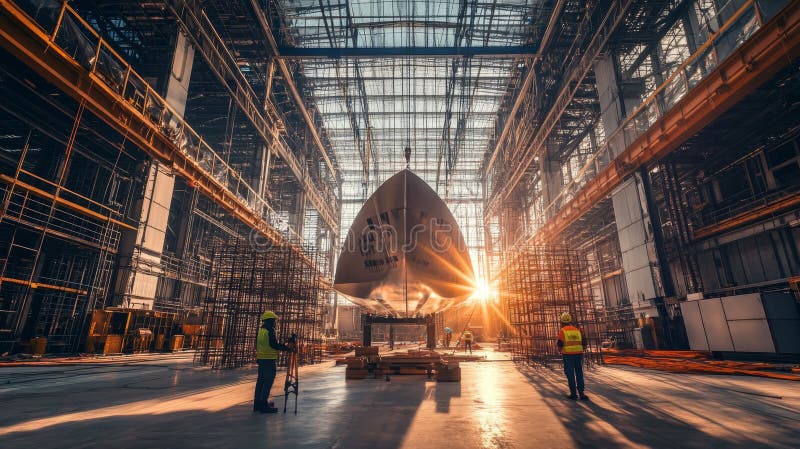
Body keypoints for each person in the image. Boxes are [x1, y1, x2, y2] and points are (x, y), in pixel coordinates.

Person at [254, 311, 293, 413]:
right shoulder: (269, 330)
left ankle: (257, 404)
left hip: (262, 359)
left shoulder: (261, 330)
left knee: (261, 382)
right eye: (274, 320)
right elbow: (274, 345)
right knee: (268, 381)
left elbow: (266, 344)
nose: (275, 322)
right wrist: (287, 348)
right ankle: (263, 405)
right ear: (270, 321)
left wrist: (283, 345)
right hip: (268, 360)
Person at [557, 312, 588, 401]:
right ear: (570, 321)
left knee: (570, 373)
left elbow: (560, 344)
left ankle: (573, 394)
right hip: (578, 354)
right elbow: (584, 342)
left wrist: (560, 351)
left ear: (562, 322)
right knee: (579, 372)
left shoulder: (563, 331)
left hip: (568, 355)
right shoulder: (577, 329)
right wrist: (582, 349)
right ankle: (581, 393)